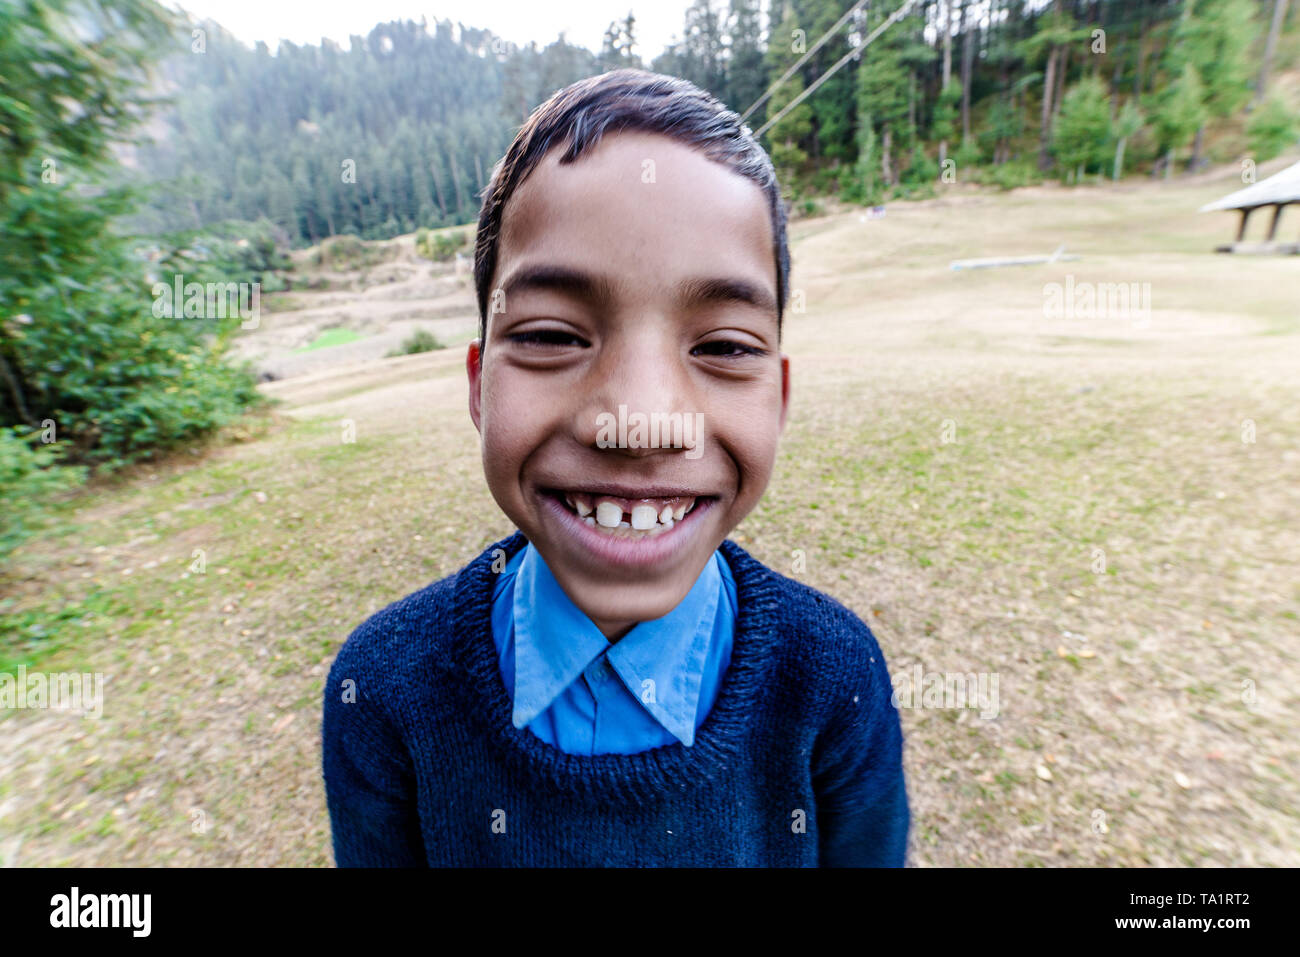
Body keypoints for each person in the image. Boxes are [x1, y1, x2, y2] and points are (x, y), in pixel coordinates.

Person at [322, 69, 909, 866]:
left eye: (724, 347)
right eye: (552, 335)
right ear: (477, 385)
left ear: (778, 396)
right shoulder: (382, 691)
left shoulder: (837, 678)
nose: (641, 423)